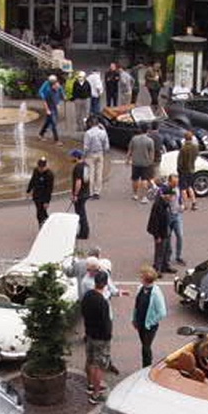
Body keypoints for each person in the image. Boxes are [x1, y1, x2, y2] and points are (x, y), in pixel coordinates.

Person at [80, 269, 114, 400]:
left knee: (89, 361)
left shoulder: (87, 295)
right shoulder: (102, 302)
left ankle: (90, 384)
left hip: (89, 334)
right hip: (101, 338)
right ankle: (96, 393)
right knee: (99, 365)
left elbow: (83, 312)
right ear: (105, 284)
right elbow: (106, 322)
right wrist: (108, 336)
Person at [133, 265, 165, 365]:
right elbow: (137, 305)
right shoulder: (141, 288)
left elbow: (162, 312)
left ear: (146, 279)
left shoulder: (156, 293)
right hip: (140, 323)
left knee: (146, 347)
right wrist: (134, 318)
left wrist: (151, 322)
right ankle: (146, 365)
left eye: (141, 276)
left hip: (149, 326)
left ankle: (147, 366)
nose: (140, 278)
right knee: (144, 345)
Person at [146, 182, 172, 274]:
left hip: (166, 230)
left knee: (168, 250)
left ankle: (165, 266)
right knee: (160, 251)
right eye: (169, 195)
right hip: (160, 233)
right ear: (164, 195)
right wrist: (157, 236)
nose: (171, 197)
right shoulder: (158, 205)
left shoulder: (166, 203)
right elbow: (155, 222)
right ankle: (157, 269)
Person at [82, 114, 109, 198]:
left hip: (90, 155)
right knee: (99, 173)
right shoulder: (103, 132)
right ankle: (97, 192)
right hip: (100, 154)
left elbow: (86, 147)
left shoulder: (88, 133)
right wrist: (104, 153)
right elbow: (106, 146)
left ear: (90, 123)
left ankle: (90, 192)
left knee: (91, 174)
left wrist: (83, 156)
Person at [69, 149, 91, 239]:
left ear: (76, 157)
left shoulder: (78, 167)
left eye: (72, 156)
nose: (71, 158)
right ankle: (84, 230)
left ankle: (83, 233)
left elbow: (78, 182)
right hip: (86, 192)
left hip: (80, 194)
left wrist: (75, 195)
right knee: (82, 212)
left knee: (80, 214)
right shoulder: (86, 166)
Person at [26, 157, 54, 227]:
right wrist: (28, 190)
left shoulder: (49, 175)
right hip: (36, 195)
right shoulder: (36, 170)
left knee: (41, 213)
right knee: (41, 212)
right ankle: (46, 225)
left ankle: (44, 226)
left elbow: (49, 190)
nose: (40, 169)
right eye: (39, 167)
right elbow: (32, 180)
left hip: (43, 197)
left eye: (42, 168)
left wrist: (47, 201)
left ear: (45, 166)